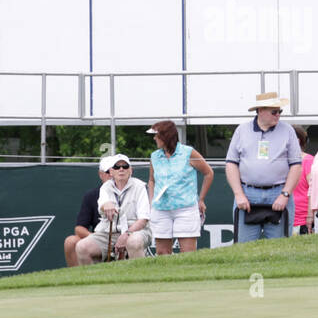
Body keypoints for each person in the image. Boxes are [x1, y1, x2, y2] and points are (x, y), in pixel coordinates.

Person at [225, 92, 303, 242]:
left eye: (280, 111)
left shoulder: (288, 131)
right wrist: (238, 194)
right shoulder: (242, 130)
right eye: (274, 111)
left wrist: (285, 195)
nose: (278, 115)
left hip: (278, 194)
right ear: (260, 111)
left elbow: (296, 166)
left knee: (280, 247)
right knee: (244, 248)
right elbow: (231, 164)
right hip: (247, 194)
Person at [147, 120, 213, 256]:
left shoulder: (188, 153)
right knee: (162, 253)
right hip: (160, 209)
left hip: (186, 209)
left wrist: (201, 200)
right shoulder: (154, 156)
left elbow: (208, 173)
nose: (154, 138)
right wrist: (152, 202)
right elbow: (152, 180)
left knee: (187, 254)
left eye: (157, 135)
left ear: (166, 136)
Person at [75, 154, 152, 263]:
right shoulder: (105, 187)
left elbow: (143, 220)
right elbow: (102, 204)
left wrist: (126, 235)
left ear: (131, 170)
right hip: (109, 232)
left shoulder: (140, 186)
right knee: (82, 247)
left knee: (134, 242)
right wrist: (106, 205)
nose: (121, 169)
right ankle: (93, 279)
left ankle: (140, 277)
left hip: (135, 231)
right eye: (117, 167)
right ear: (111, 172)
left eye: (125, 167)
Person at [64, 157, 115, 267]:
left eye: (114, 170)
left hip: (122, 236)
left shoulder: (130, 191)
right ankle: (79, 280)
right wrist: (94, 238)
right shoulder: (91, 195)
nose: (111, 175)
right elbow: (79, 228)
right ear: (101, 174)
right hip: (100, 237)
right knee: (70, 242)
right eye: (108, 172)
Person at [290, 126, 314, 235]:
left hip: (302, 221)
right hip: (284, 219)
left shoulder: (308, 161)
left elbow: (314, 190)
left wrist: (310, 215)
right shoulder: (281, 162)